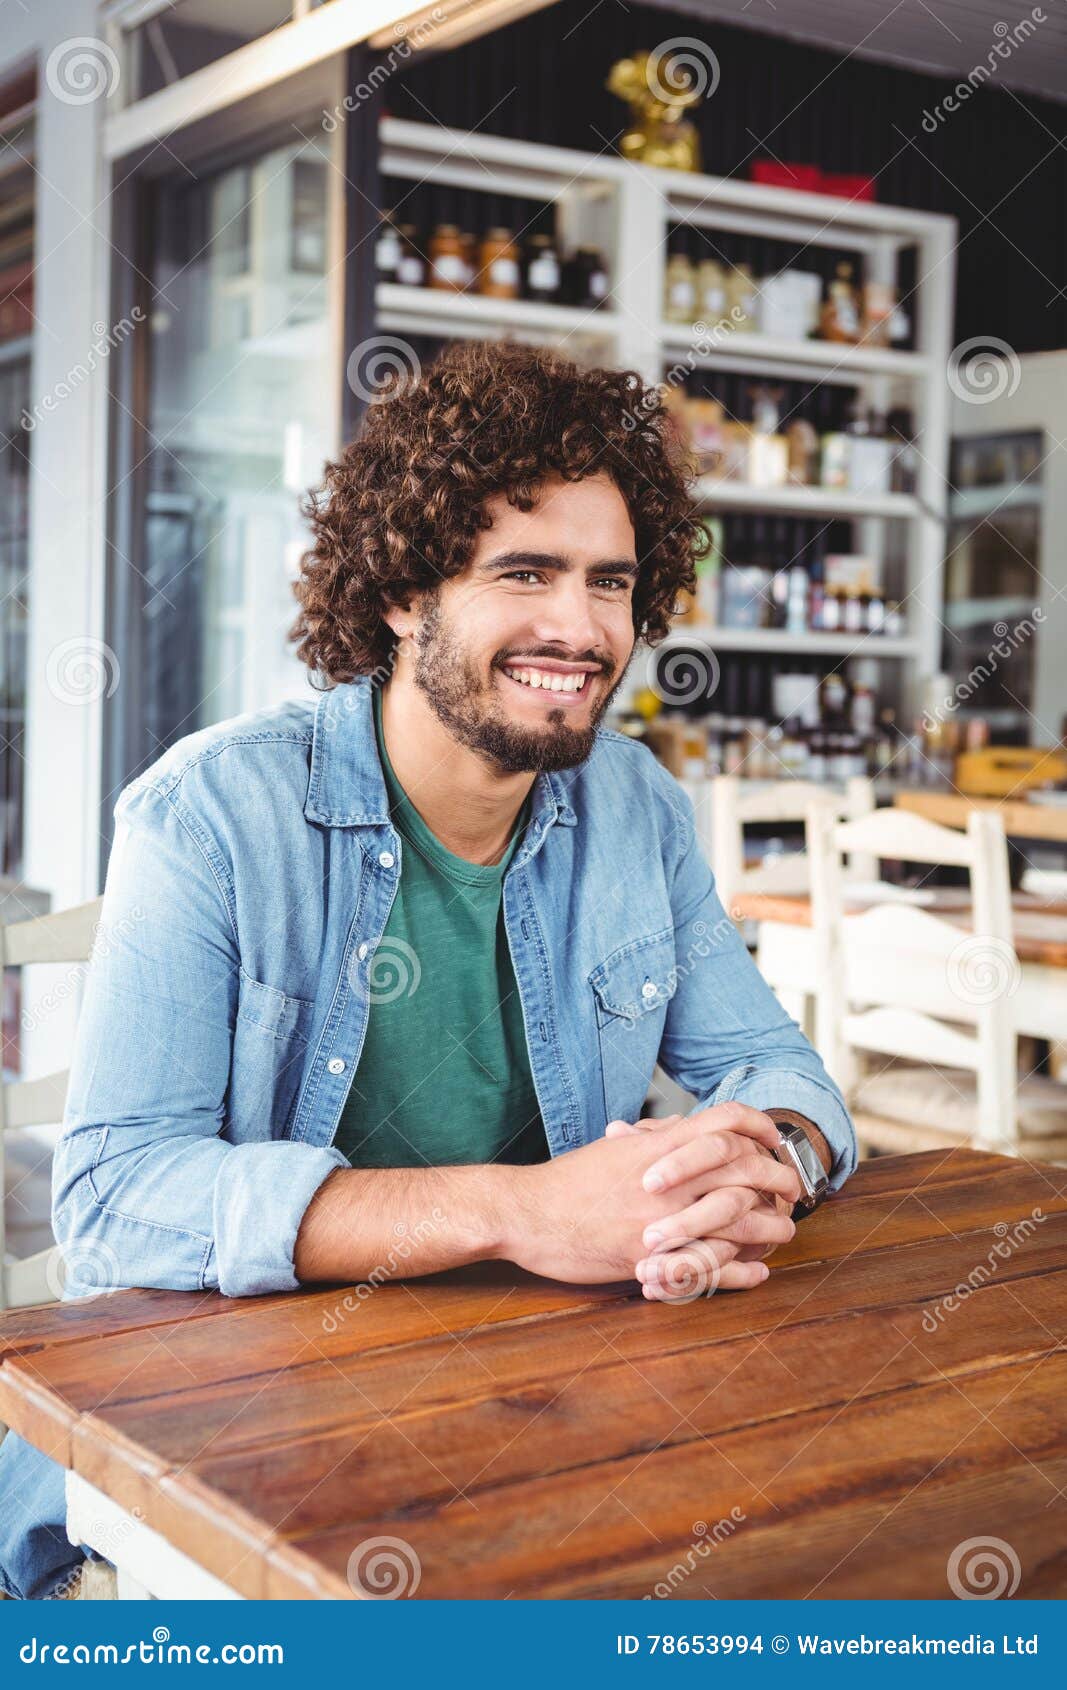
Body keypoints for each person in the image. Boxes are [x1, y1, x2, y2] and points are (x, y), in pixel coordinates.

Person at [0, 341, 855, 1597]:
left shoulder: (636, 809)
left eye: (609, 583)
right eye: (524, 572)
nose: (578, 628)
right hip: (224, 1410)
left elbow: (772, 1065)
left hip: (529, 1392)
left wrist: (745, 1169)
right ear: (404, 592)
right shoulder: (213, 813)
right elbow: (118, 1194)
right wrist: (522, 1211)